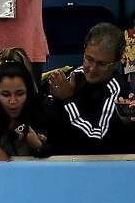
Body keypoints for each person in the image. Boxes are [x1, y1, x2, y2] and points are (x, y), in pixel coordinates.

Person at [43, 22, 135, 155]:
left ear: (116, 63)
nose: (92, 69)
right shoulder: (72, 75)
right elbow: (47, 119)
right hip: (60, 160)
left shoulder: (118, 91)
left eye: (101, 64)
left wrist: (67, 101)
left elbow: (95, 140)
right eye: (89, 59)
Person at [0, 49, 49, 160]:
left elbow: (60, 148)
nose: (13, 101)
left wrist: (39, 146)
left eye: (20, 93)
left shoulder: (42, 106)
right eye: (6, 94)